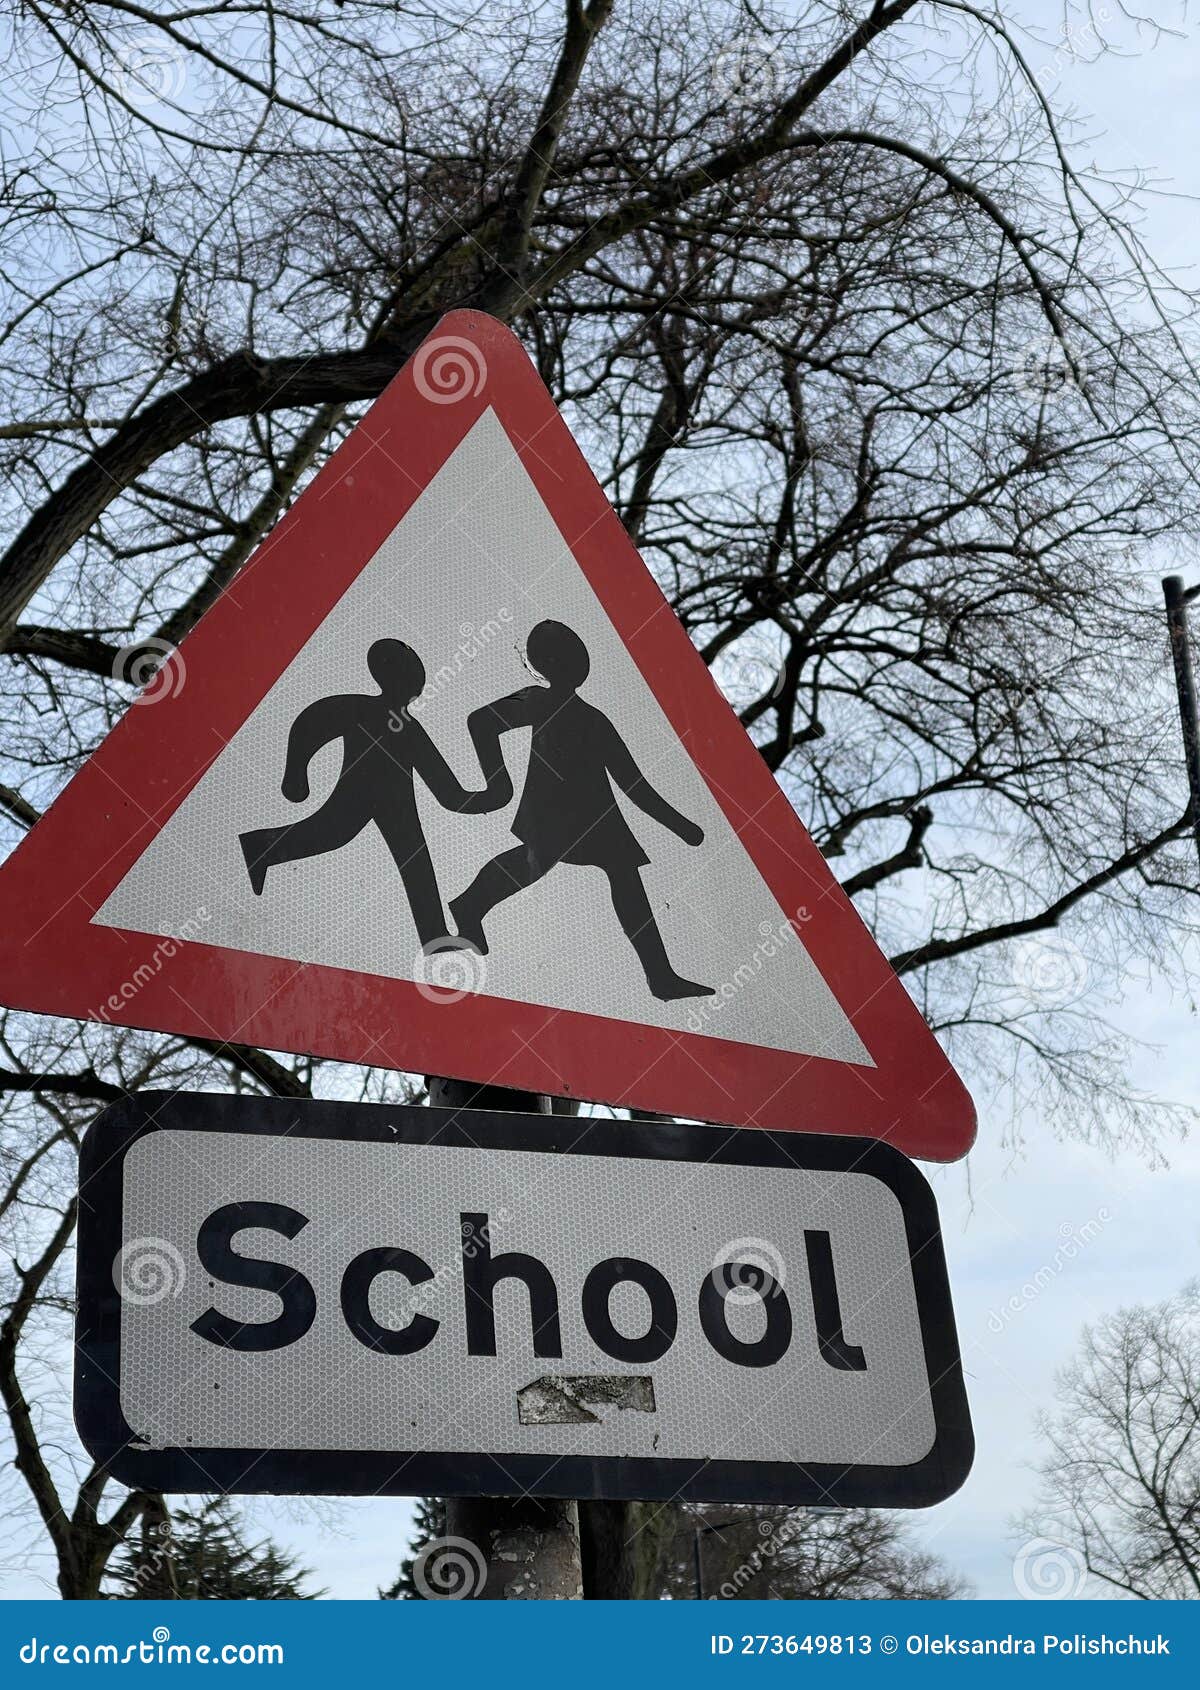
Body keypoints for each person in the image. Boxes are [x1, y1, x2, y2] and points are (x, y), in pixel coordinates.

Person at [448, 619, 714, 1001]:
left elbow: (633, 783)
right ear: (548, 663)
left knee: (621, 877)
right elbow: (481, 722)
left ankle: (660, 977)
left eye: (578, 657)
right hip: (554, 809)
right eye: (564, 657)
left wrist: (680, 826)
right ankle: (470, 905)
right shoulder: (537, 700)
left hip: (597, 815)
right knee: (534, 862)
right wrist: (498, 782)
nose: (576, 665)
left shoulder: (594, 719)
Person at [238, 639, 500, 950]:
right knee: (336, 835)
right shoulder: (364, 710)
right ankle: (259, 846)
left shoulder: (404, 726)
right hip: (360, 795)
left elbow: (448, 792)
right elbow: (313, 724)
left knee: (411, 859)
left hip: (396, 805)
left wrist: (490, 799)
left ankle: (433, 934)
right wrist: (295, 774)